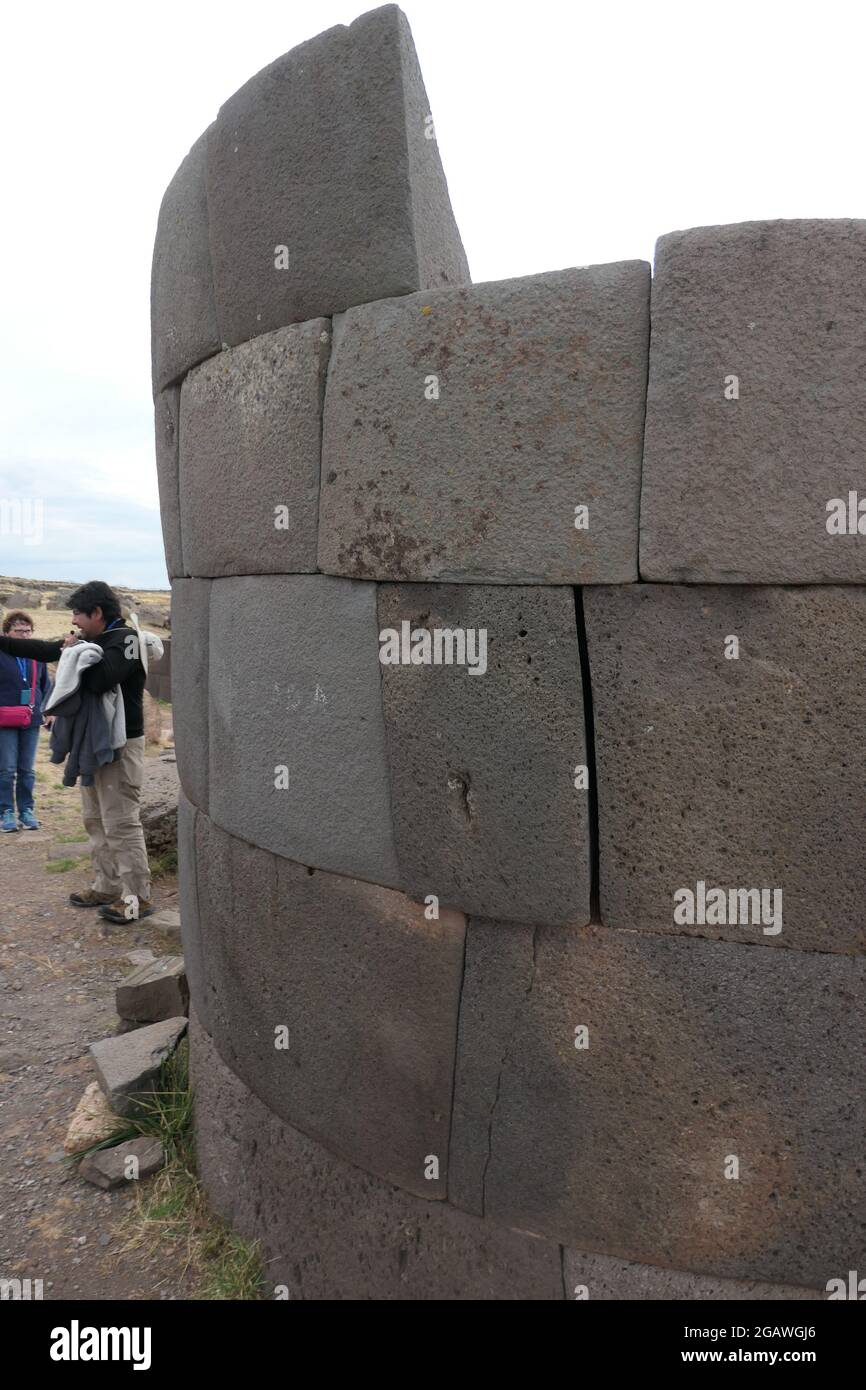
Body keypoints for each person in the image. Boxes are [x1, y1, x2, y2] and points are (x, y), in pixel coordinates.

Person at [0, 581, 154, 923]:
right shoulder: (91, 641)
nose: (74, 620)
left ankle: (136, 897)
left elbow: (100, 680)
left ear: (97, 613)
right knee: (94, 818)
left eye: (78, 614)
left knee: (121, 822)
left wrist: (72, 650)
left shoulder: (126, 641)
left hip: (121, 744)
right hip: (92, 742)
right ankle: (107, 885)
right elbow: (40, 649)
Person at [0, 610, 53, 832]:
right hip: (4, 719)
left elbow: (45, 685)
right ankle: (6, 812)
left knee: (27, 769)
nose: (23, 635)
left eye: (27, 631)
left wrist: (50, 710)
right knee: (6, 769)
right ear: (6, 633)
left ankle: (26, 810)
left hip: (31, 718)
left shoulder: (35, 655)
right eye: (18, 631)